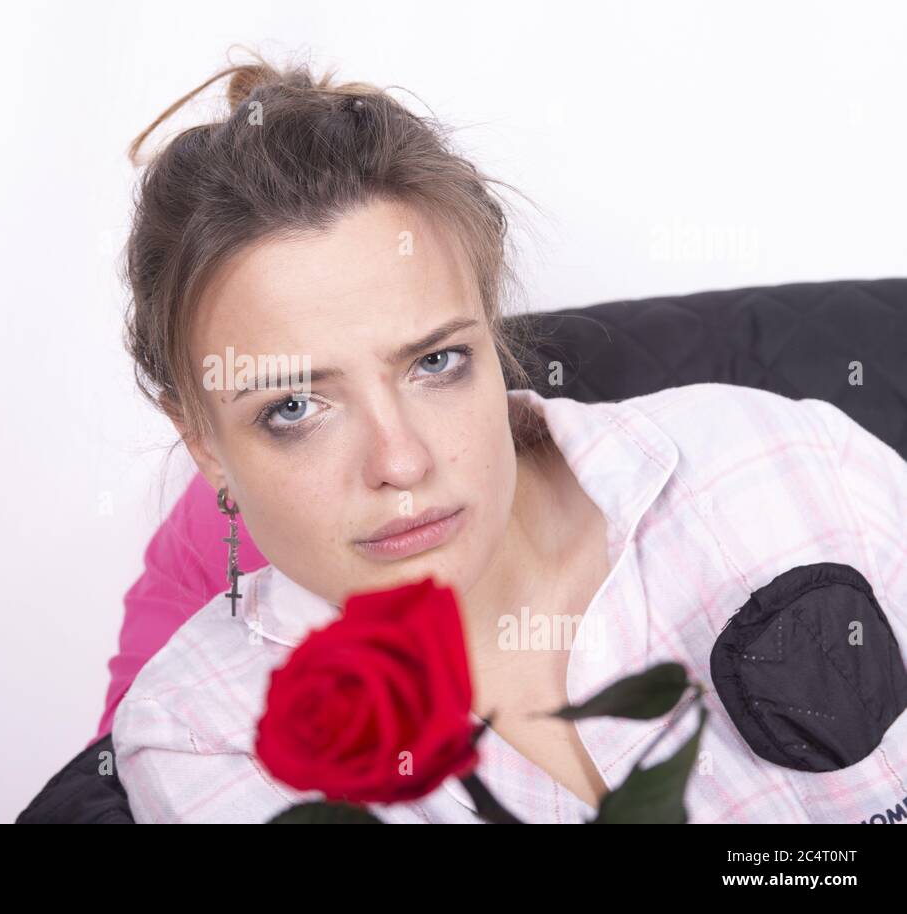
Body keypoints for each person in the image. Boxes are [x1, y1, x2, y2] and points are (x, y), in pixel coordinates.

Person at [104, 50, 907, 823]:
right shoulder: (202, 734)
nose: (402, 462)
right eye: (294, 408)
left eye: (436, 361)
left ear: (492, 339)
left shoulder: (786, 465)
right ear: (204, 443)